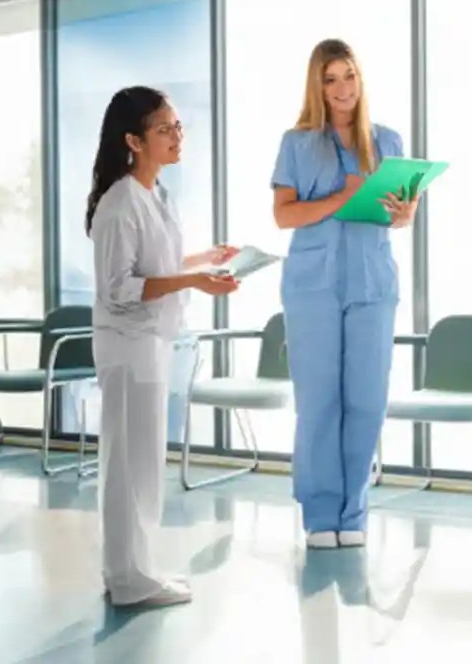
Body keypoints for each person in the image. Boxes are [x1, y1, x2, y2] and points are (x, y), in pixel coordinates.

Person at [87, 85, 241, 607]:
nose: (177, 136)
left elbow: (158, 267)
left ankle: (134, 570)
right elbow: (120, 288)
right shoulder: (119, 202)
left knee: (142, 462)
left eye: (178, 126)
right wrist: (194, 282)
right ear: (133, 139)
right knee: (130, 466)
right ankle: (131, 580)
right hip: (129, 346)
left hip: (150, 343)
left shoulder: (155, 194)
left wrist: (204, 260)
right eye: (164, 129)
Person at [270, 39, 418, 550]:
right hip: (312, 285)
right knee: (319, 402)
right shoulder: (297, 142)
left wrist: (402, 211)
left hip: (373, 283)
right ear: (317, 85)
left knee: (367, 401)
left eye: (348, 76)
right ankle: (319, 514)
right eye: (330, 79)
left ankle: (353, 512)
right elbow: (284, 214)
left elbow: (402, 214)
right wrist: (342, 198)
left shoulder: (388, 140)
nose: (342, 88)